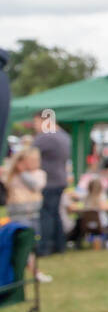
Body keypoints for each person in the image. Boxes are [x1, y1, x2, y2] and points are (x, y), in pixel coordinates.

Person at [3, 148, 52, 282]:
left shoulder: (38, 174)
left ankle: (32, 272)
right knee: (21, 246)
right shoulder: (12, 175)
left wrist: (23, 173)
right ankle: (34, 272)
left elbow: (35, 186)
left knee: (32, 245)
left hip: (33, 214)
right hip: (17, 215)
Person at [31, 111, 69, 256]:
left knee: (45, 215)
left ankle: (45, 248)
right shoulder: (63, 135)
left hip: (49, 181)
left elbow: (27, 154)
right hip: (60, 179)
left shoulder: (45, 137)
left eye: (36, 122)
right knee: (55, 214)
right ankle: (60, 245)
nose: (35, 126)